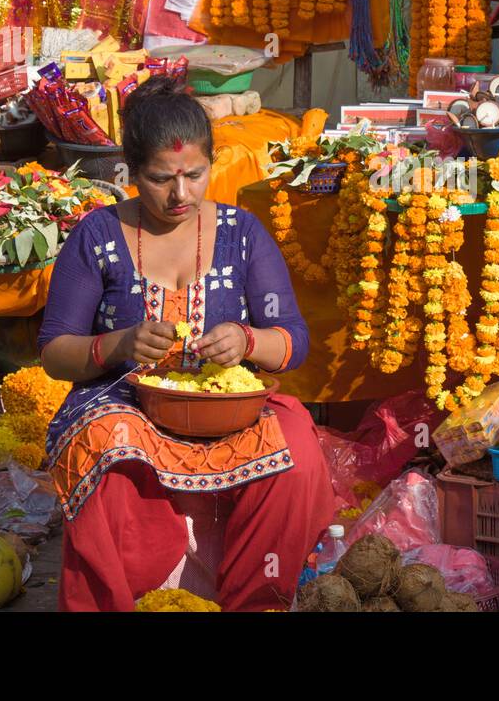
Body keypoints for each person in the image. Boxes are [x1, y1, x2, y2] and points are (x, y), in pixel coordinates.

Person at [38, 76, 334, 611]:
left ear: (212, 164)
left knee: (298, 446)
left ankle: (253, 601)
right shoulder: (97, 235)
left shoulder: (243, 233)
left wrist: (246, 341)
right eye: (160, 179)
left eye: (195, 175)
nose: (181, 195)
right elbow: (55, 353)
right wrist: (118, 344)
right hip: (121, 400)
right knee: (106, 445)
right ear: (130, 171)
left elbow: (293, 340)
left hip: (229, 409)